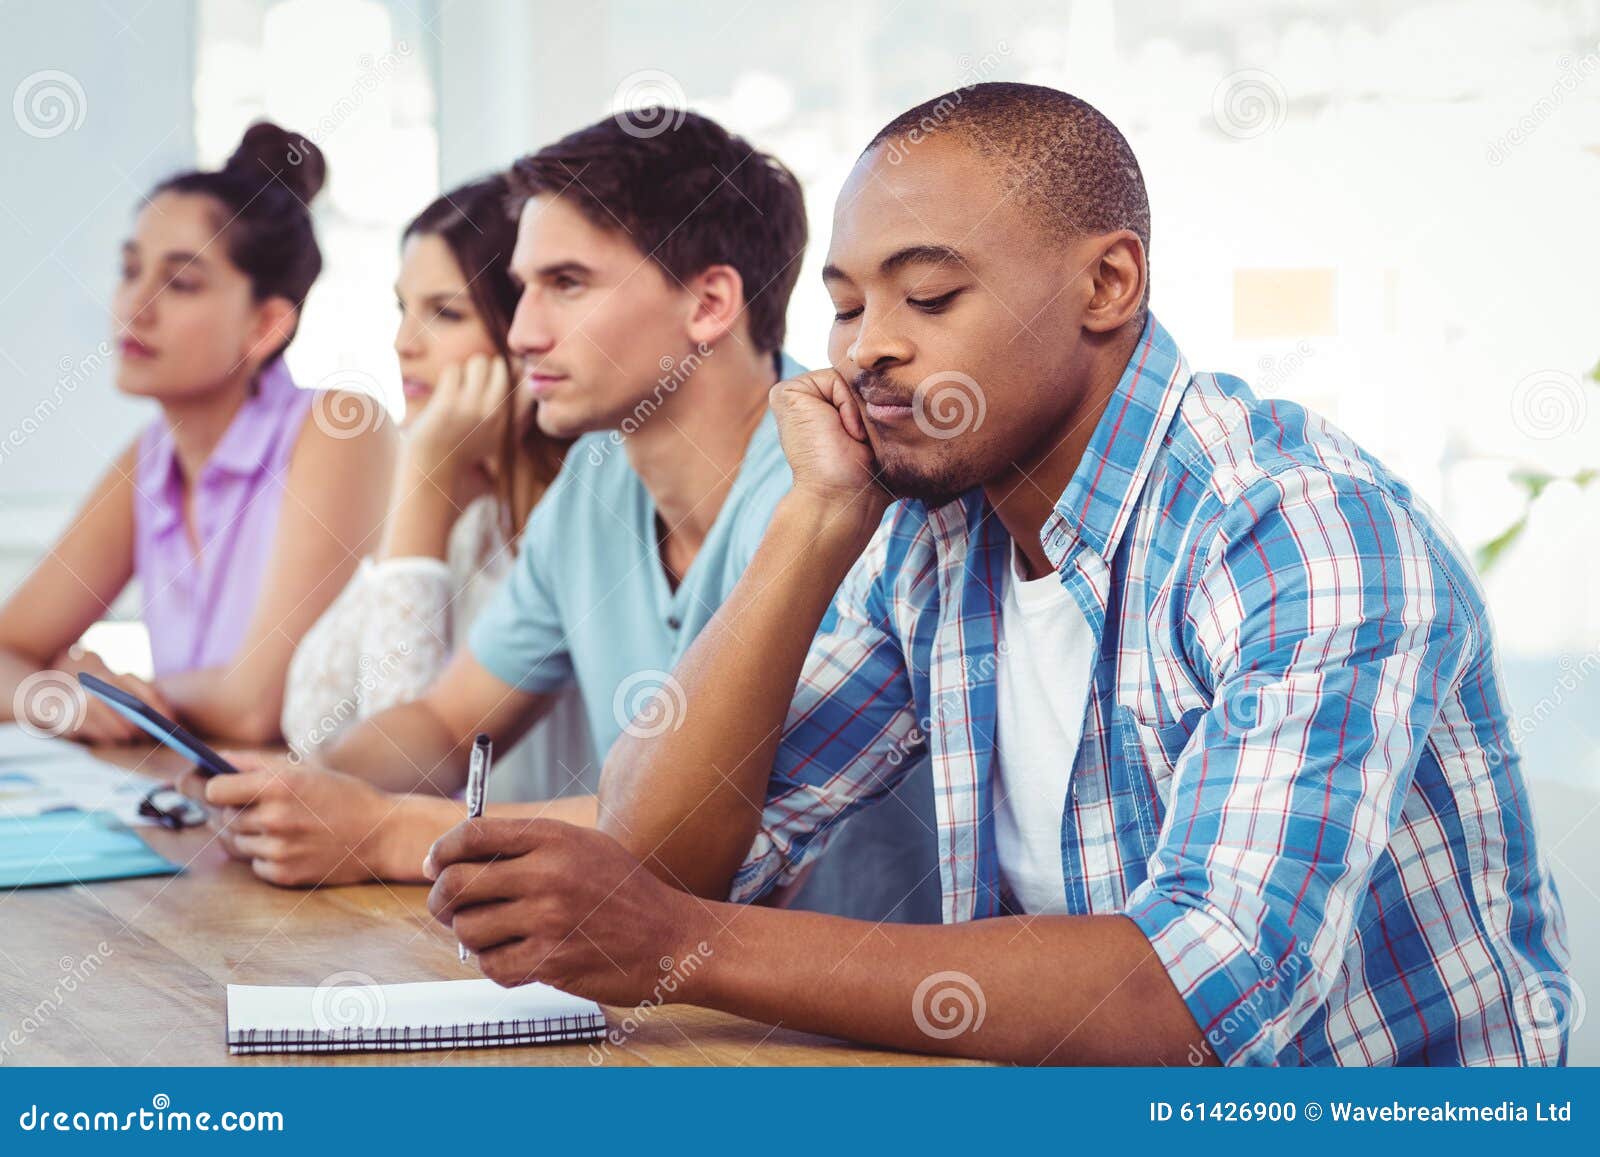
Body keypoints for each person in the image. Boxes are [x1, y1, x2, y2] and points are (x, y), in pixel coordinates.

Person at [425, 83, 1571, 1067]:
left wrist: (685, 942)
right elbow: (662, 854)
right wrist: (816, 520)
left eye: (927, 297)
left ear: (1108, 284)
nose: (867, 344)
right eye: (844, 305)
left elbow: (1192, 993)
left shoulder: (1296, 529)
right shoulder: (937, 533)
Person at [185, 111, 939, 922]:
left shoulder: (840, 485)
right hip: (676, 1004)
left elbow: (684, 838)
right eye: (522, 288)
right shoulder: (596, 476)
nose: (522, 332)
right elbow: (447, 720)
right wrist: (307, 782)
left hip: (826, 1021)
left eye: (566, 284)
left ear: (711, 303)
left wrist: (385, 831)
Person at [0, 122, 392, 746]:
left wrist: (108, 690)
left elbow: (256, 707)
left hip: (326, 829)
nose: (135, 306)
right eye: (130, 270)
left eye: (180, 283)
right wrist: (57, 694)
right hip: (201, 819)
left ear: (265, 325)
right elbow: (7, 651)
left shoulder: (340, 429)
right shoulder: (150, 459)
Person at [279, 174, 591, 801]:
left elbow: (402, 790)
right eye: (402, 309)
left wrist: (423, 475)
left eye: (445, 314)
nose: (403, 344)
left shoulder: (581, 516)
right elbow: (313, 730)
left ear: (524, 331)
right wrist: (429, 491)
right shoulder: (472, 514)